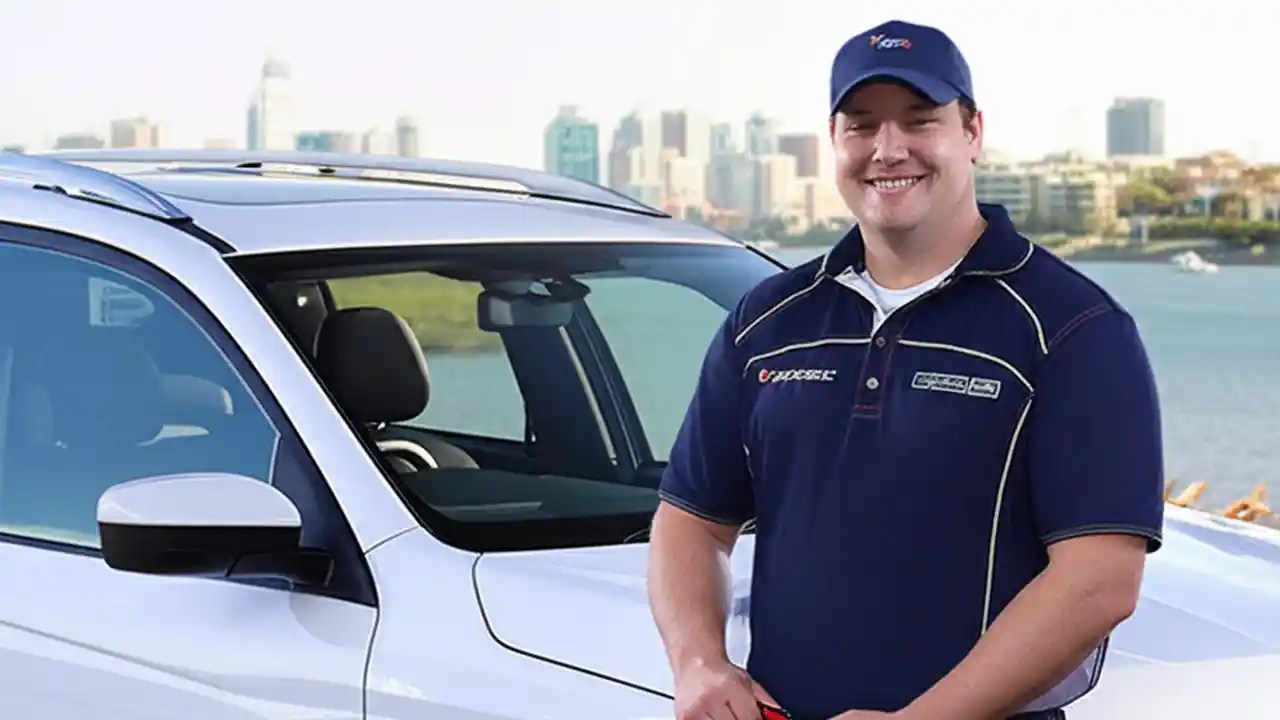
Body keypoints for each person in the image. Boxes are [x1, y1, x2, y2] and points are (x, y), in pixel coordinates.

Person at [646, 17, 1165, 720]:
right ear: (834, 140)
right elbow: (692, 519)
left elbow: (1101, 579)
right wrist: (699, 663)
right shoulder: (767, 321)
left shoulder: (1071, 328)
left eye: (920, 120)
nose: (889, 150)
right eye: (861, 126)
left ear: (973, 132)